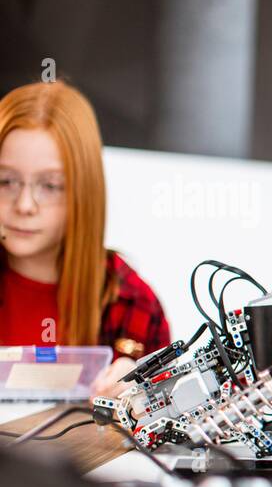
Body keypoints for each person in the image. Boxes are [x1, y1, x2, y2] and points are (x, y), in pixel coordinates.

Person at [0, 82, 169, 396]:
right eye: (6, 181)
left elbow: (171, 422)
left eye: (50, 186)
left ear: (84, 192)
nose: (24, 205)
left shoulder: (132, 303)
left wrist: (143, 391)